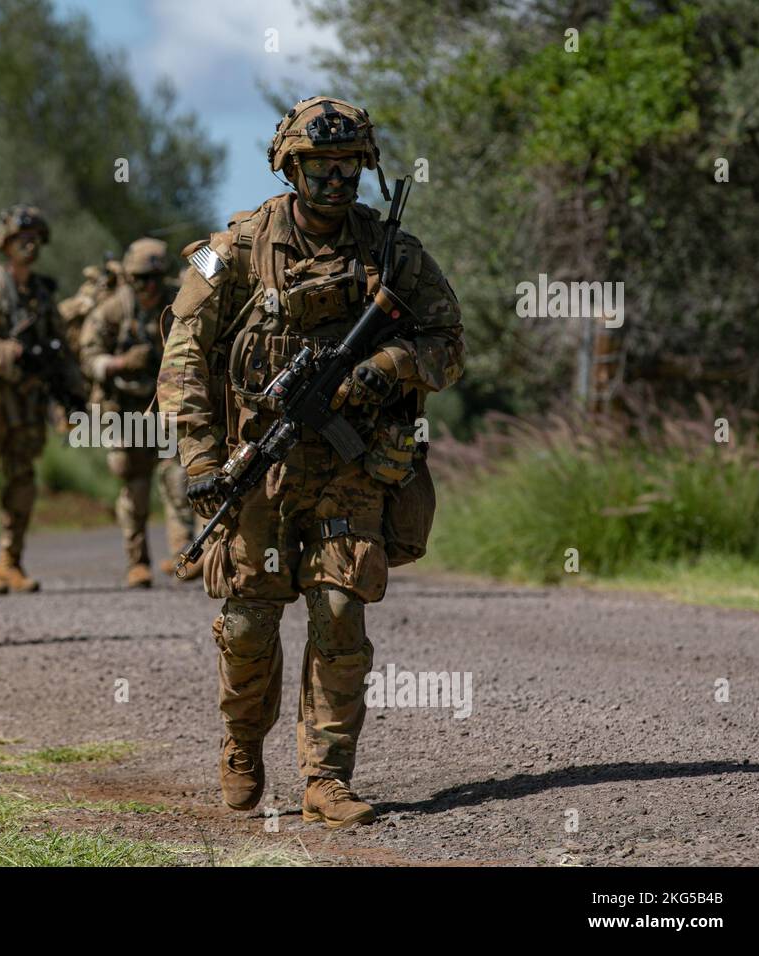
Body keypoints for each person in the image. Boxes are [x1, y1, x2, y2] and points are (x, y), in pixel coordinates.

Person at [157, 97, 465, 826]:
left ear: (364, 169)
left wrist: (390, 366)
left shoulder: (394, 253)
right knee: (247, 627)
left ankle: (327, 777)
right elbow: (183, 356)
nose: (335, 179)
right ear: (290, 166)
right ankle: (240, 741)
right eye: (320, 165)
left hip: (350, 471)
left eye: (348, 165)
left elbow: (449, 343)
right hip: (254, 466)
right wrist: (201, 457)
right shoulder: (231, 249)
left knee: (338, 614)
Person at [0, 203, 86, 596]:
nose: (29, 246)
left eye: (34, 239)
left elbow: (61, 352)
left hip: (26, 406)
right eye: (20, 239)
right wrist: (7, 354)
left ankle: (11, 562)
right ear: (4, 244)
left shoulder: (41, 294)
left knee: (22, 485)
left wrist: (73, 398)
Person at [79, 237, 199, 587]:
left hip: (166, 406)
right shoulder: (112, 310)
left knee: (178, 476)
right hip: (125, 410)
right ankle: (138, 562)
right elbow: (87, 356)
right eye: (141, 279)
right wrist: (118, 364)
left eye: (154, 279)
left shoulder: (177, 304)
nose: (148, 287)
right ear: (130, 278)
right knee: (134, 484)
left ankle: (183, 552)